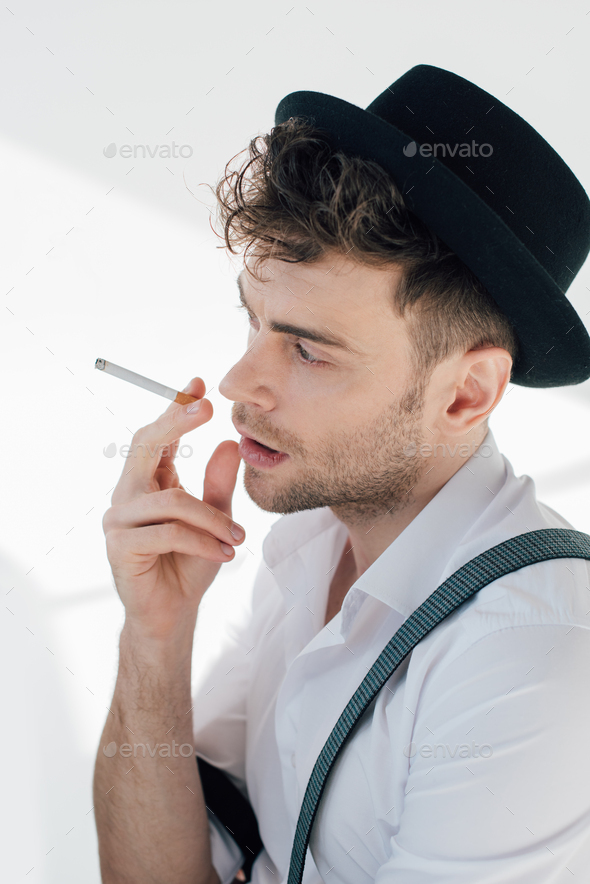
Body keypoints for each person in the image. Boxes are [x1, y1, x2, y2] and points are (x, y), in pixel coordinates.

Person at [93, 65, 590, 883]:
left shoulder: (528, 660)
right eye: (253, 323)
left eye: (308, 348)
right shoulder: (312, 542)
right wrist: (155, 635)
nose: (235, 384)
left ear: (466, 393)